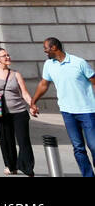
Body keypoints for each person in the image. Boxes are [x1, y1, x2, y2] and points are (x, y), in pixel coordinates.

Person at [31, 36, 95, 177]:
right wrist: (33, 101)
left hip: (88, 111)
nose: (44, 51)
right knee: (78, 148)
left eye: (45, 48)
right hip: (67, 112)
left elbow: (94, 81)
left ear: (54, 47)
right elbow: (43, 84)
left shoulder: (79, 62)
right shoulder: (49, 65)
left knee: (94, 146)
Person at [0, 46, 35, 176]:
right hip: (1, 111)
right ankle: (11, 166)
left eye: (8, 55)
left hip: (19, 112)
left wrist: (32, 105)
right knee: (6, 140)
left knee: (23, 140)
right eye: (4, 56)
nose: (8, 57)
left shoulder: (16, 74)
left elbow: (24, 93)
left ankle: (27, 167)